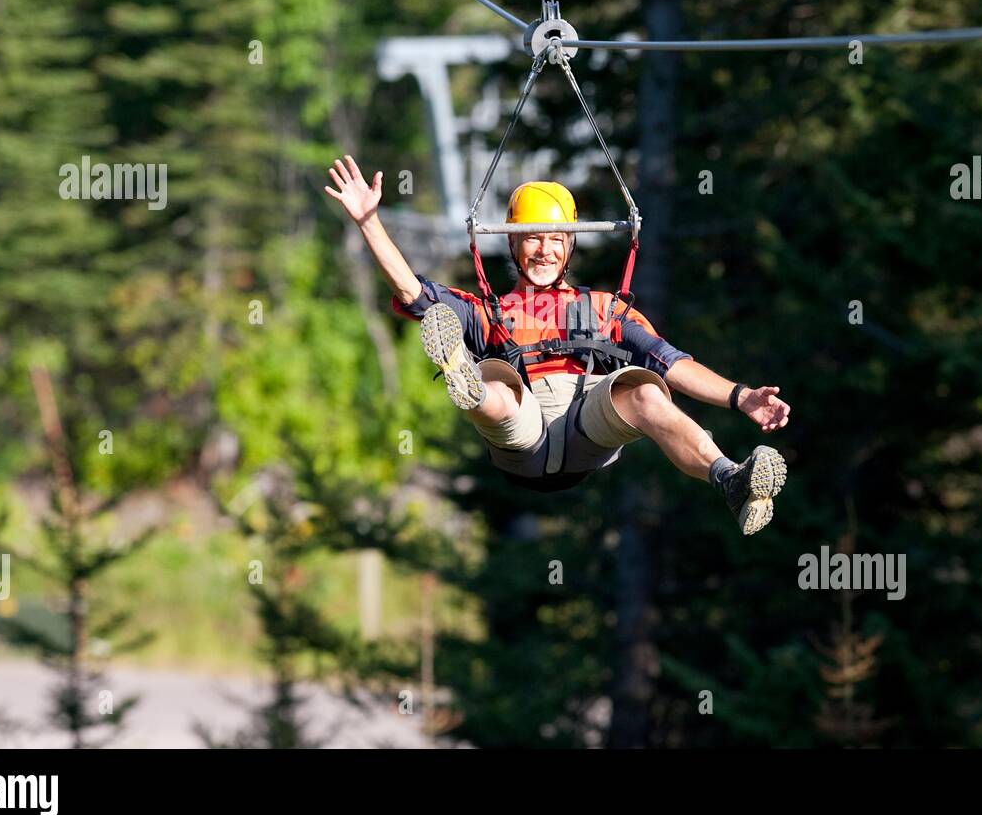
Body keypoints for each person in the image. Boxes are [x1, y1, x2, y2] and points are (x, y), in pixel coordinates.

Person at [326, 156, 791, 534]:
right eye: (531, 238)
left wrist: (741, 395)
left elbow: (671, 363)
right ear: (512, 245)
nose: (544, 250)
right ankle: (467, 382)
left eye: (554, 239)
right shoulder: (488, 310)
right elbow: (412, 292)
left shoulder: (603, 309)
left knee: (648, 389)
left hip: (584, 432)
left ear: (570, 246)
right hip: (519, 436)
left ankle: (730, 478)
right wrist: (368, 221)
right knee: (496, 381)